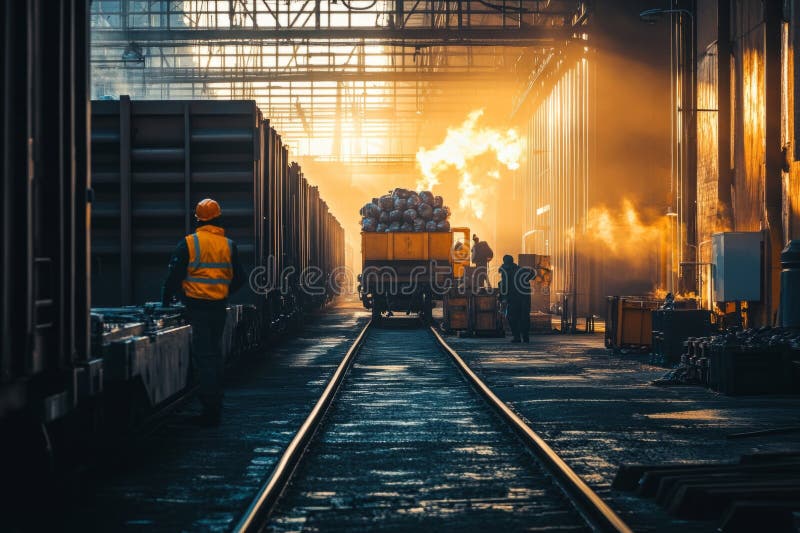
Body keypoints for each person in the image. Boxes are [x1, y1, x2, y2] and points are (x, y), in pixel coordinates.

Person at [162, 198, 246, 425]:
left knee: (204, 357)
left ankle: (210, 411)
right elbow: (241, 278)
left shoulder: (188, 244)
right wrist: (223, 291)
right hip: (218, 307)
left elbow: (174, 277)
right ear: (219, 218)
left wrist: (169, 299)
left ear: (197, 220)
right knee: (215, 355)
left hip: (196, 307)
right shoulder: (228, 245)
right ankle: (215, 402)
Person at [499, 254, 533, 343]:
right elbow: (532, 274)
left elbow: (504, 285)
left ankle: (517, 337)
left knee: (512, 317)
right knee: (524, 317)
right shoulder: (521, 270)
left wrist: (503, 298)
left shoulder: (505, 270)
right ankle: (525, 336)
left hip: (513, 298)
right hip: (524, 298)